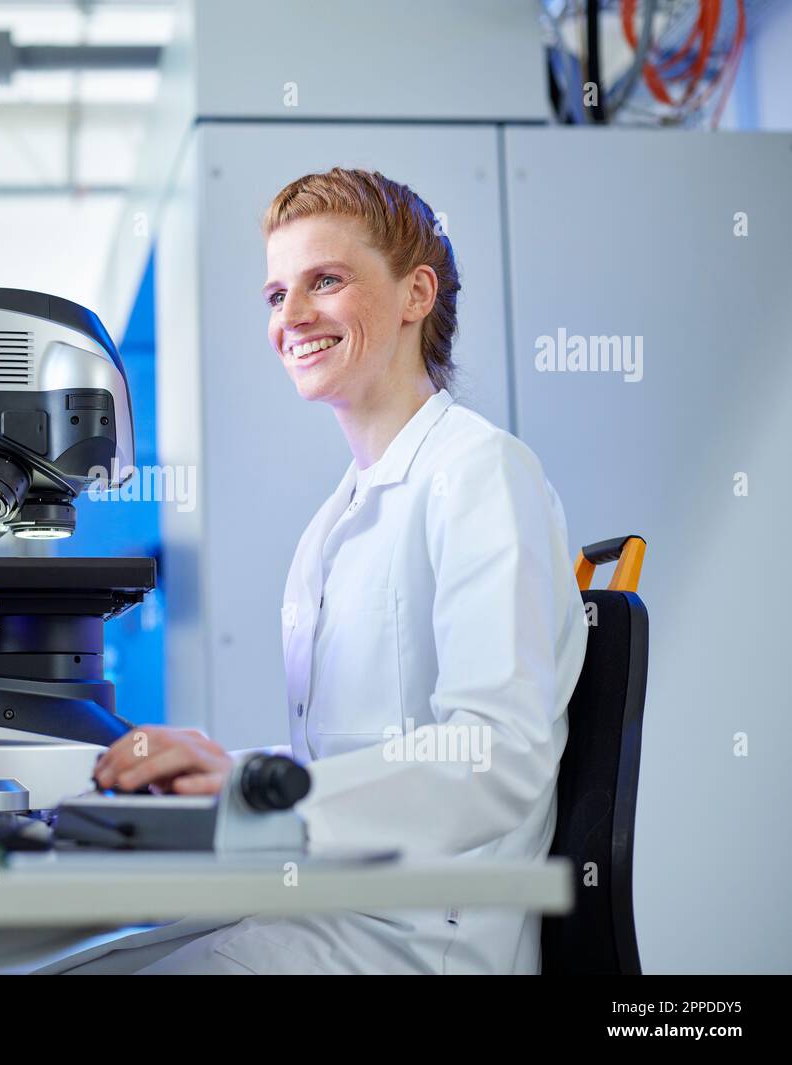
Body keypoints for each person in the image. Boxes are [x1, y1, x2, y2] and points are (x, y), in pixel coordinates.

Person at [88, 167, 589, 975]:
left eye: (325, 281)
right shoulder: (336, 519)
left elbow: (495, 753)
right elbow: (357, 763)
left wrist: (259, 787)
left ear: (415, 294)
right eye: (275, 294)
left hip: (424, 942)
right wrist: (216, 772)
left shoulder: (481, 473)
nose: (292, 316)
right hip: (332, 904)